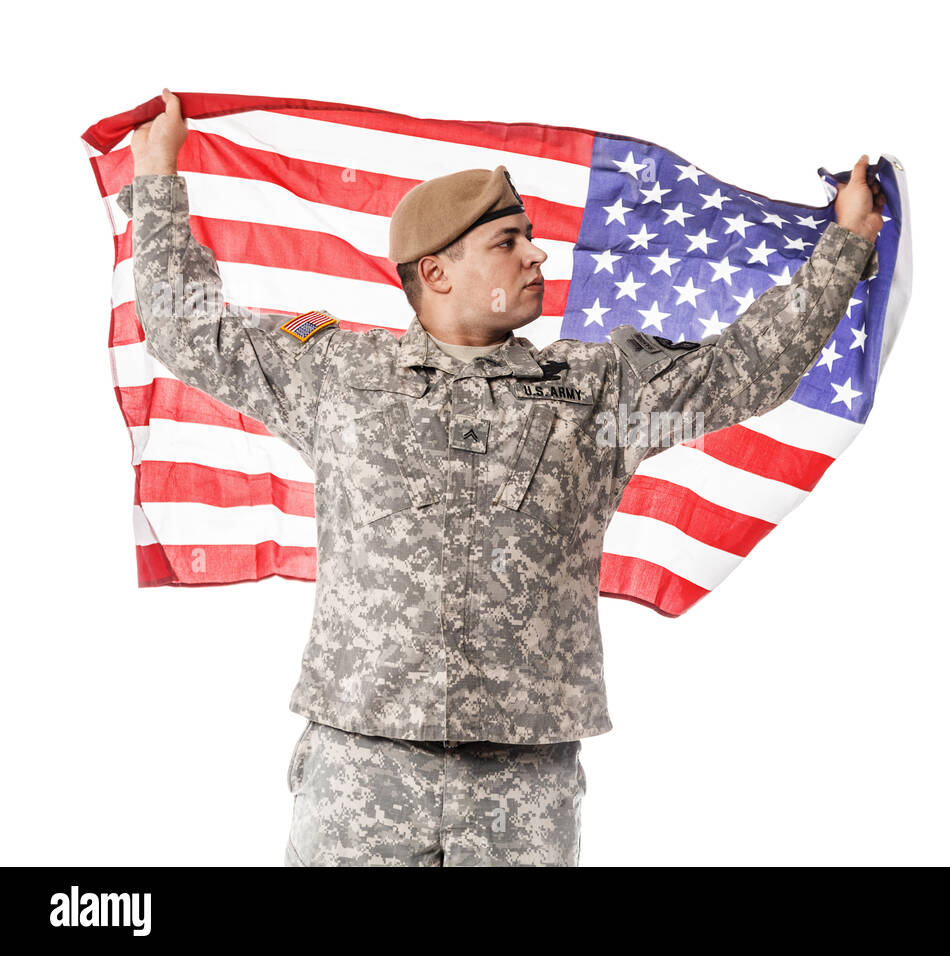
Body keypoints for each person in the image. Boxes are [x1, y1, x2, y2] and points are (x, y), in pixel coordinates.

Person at [122, 88, 885, 866]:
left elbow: (747, 370)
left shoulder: (599, 395)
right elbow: (188, 329)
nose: (537, 255)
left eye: (530, 237)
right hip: (362, 765)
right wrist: (158, 170)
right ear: (437, 271)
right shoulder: (335, 376)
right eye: (508, 241)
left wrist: (844, 246)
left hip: (524, 783)